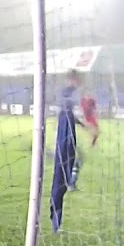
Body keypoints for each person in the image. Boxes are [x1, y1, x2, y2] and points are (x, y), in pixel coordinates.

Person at [51, 70, 87, 232]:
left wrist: (82, 124)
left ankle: (70, 183)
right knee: (61, 175)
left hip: (67, 139)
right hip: (63, 140)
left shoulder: (71, 96)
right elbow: (66, 114)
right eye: (76, 80)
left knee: (74, 162)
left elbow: (69, 114)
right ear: (72, 79)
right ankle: (56, 218)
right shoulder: (66, 94)